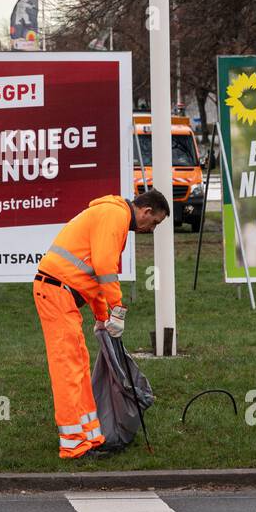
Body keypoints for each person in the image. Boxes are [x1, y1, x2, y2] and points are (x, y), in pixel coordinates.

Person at [33, 190, 171, 459]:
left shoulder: (112, 214)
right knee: (68, 371)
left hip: (60, 293)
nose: (151, 229)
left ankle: (90, 437)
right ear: (146, 211)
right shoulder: (115, 215)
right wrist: (117, 310)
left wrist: (101, 318)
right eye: (155, 222)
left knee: (78, 367)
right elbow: (105, 266)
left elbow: (95, 277)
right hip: (56, 292)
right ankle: (74, 445)